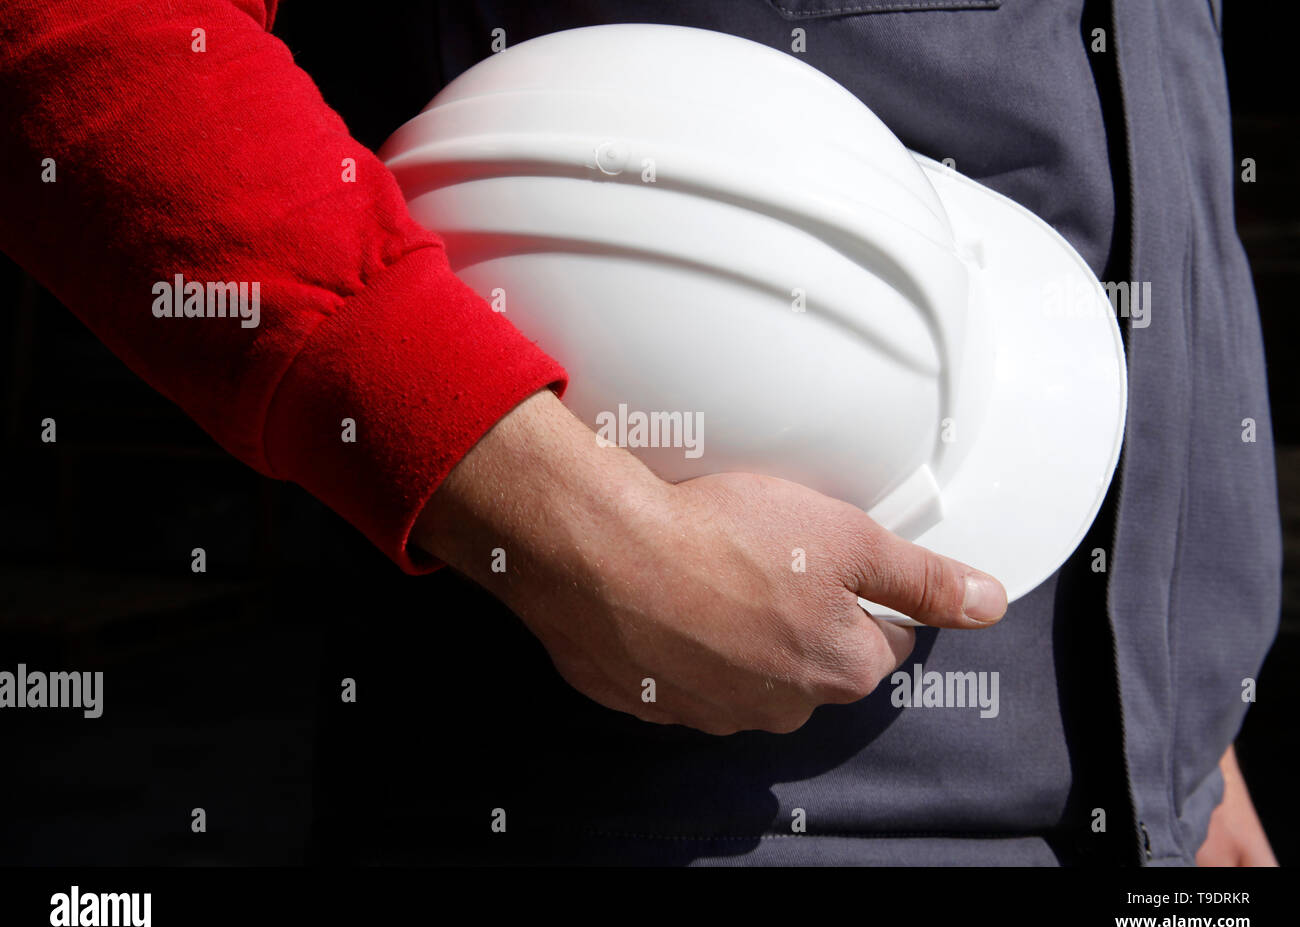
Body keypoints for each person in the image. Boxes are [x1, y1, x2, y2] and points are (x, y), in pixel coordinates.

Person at [0, 0, 1279, 865]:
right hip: (678, 795)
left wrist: (1169, 736)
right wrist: (577, 531)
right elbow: (101, 27)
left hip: (1151, 800)